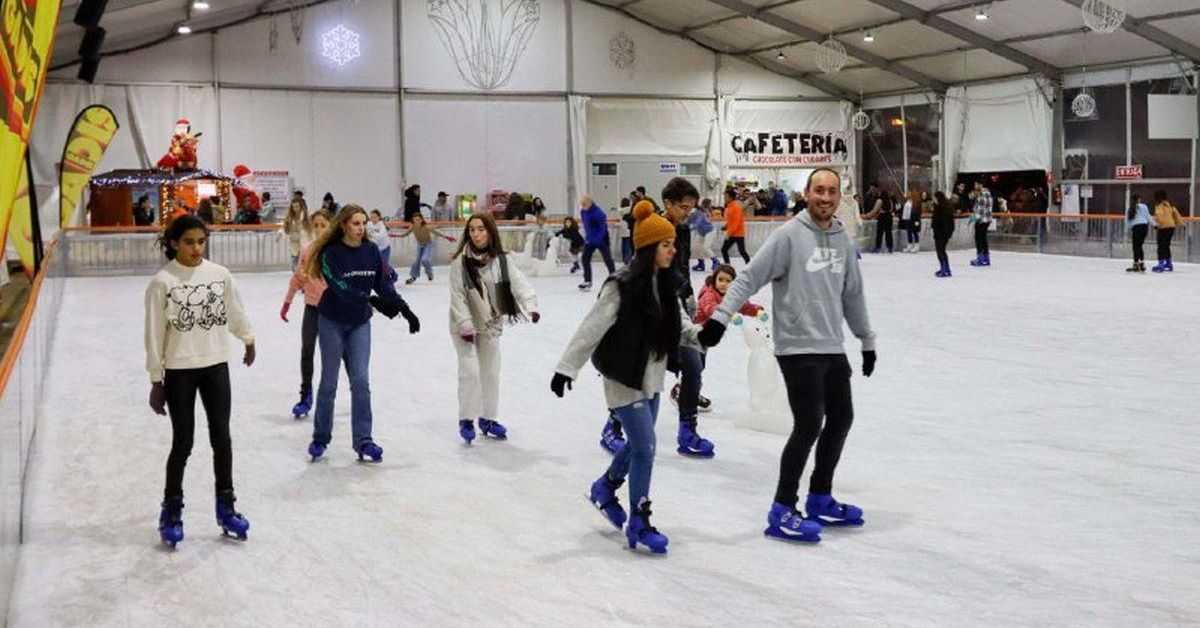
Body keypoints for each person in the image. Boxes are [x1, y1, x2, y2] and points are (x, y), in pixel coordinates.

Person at [696, 168, 876, 545]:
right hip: (796, 347)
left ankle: (820, 497)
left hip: (831, 346)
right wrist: (719, 318)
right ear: (807, 193)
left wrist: (866, 339)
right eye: (819, 190)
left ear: (839, 197)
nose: (825, 197)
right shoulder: (789, 236)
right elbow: (748, 278)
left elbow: (853, 294)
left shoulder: (842, 240)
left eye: (832, 191)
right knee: (809, 425)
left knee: (841, 419)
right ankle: (782, 507)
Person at [551, 202, 701, 554]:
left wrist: (705, 335)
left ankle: (605, 486)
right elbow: (591, 327)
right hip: (623, 376)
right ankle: (639, 520)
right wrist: (566, 368)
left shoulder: (666, 284)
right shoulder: (622, 286)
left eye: (673, 244)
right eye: (666, 245)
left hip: (652, 375)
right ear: (648, 248)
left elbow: (682, 325)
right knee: (646, 448)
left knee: (637, 444)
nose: (673, 250)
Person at [144, 214, 255, 548]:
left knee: (222, 439)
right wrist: (156, 380)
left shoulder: (219, 274)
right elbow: (154, 334)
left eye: (201, 241)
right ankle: (171, 511)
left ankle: (226, 507)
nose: (196, 248)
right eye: (189, 242)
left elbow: (234, 310)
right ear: (174, 243)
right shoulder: (163, 282)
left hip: (215, 365)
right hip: (180, 371)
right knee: (183, 442)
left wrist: (247, 338)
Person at [303, 205, 420, 463]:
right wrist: (368, 299)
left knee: (361, 381)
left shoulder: (370, 251)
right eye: (356, 223)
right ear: (344, 224)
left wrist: (404, 308)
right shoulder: (330, 253)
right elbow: (339, 286)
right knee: (329, 382)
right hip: (332, 321)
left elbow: (383, 284)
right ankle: (320, 437)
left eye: (363, 223)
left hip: (359, 323)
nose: (361, 228)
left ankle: (363, 440)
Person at [449, 213, 540, 443]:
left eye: (481, 229)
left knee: (490, 373)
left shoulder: (502, 261)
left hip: (490, 323)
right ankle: (466, 419)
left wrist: (530, 305)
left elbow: (519, 284)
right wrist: (465, 324)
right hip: (464, 326)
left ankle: (487, 418)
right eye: (472, 230)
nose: (476, 234)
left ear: (490, 232)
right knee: (470, 372)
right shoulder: (460, 262)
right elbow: (458, 296)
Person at [282, 209, 332, 418]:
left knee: (341, 354)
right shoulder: (307, 251)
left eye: (323, 225)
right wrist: (287, 302)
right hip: (312, 308)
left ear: (331, 226)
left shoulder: (338, 252)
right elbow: (298, 278)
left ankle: (356, 391)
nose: (319, 229)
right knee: (307, 351)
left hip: (334, 311)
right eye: (316, 225)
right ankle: (306, 395)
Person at [397, 212, 455, 284]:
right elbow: (405, 234)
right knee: (416, 261)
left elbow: (436, 232)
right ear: (413, 220)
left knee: (425, 259)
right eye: (415, 220)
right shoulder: (412, 227)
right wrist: (395, 235)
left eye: (418, 219)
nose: (417, 221)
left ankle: (429, 273)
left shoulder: (426, 227)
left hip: (428, 245)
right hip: (420, 245)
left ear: (421, 220)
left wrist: (447, 237)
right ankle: (413, 277)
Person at [578, 195, 616, 291]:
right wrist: (588, 238)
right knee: (585, 258)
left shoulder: (599, 213)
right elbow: (587, 226)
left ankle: (614, 279)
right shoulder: (583, 212)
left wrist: (598, 239)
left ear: (590, 203)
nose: (582, 206)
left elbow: (602, 228)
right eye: (581, 204)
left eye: (584, 204)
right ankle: (587, 280)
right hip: (590, 240)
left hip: (602, 239)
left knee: (607, 259)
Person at [1151, 190, 1184, 273]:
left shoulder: (1159, 206)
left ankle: (1161, 264)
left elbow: (1160, 216)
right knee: (1166, 245)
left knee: (1161, 246)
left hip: (1163, 228)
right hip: (1171, 227)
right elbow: (1176, 214)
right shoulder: (1170, 204)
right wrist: (1181, 223)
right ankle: (1169, 263)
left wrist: (1156, 224)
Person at [721, 188, 750, 264]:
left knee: (741, 251)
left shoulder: (735, 208)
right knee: (725, 250)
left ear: (730, 198)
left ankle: (749, 265)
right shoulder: (730, 207)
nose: (724, 198)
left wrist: (728, 233)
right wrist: (726, 226)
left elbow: (735, 223)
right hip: (734, 233)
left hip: (738, 233)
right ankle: (727, 265)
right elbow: (731, 221)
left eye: (726, 196)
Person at [282, 197, 312, 270]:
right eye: (293, 207)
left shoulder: (306, 216)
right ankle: (295, 271)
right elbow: (286, 229)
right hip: (294, 241)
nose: (295, 209)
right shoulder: (289, 217)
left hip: (304, 240)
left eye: (297, 206)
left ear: (301, 206)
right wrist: (285, 228)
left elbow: (310, 228)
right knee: (294, 259)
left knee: (304, 259)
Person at [1124, 194, 1151, 273]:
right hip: (1144, 227)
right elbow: (1148, 216)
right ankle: (1142, 263)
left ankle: (1136, 264)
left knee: (1136, 246)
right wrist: (1155, 225)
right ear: (1139, 199)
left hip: (1136, 228)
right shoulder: (1144, 206)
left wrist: (1129, 227)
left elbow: (1128, 220)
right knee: (1140, 246)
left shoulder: (1131, 208)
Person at [687, 201, 718, 272]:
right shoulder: (690, 214)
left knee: (705, 247)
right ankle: (701, 263)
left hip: (710, 231)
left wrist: (690, 228)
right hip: (701, 233)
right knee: (695, 247)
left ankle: (716, 261)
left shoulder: (701, 213)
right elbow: (687, 222)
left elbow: (698, 223)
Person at [969, 181, 993, 267]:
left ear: (980, 185)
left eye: (976, 185)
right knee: (983, 239)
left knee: (978, 239)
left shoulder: (982, 194)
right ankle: (986, 258)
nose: (975, 187)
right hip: (987, 220)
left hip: (981, 220)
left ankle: (980, 258)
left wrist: (974, 217)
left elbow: (979, 210)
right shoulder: (988, 193)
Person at [932, 191, 955, 278]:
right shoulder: (943, 207)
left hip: (941, 233)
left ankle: (944, 268)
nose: (933, 200)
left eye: (934, 198)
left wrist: (941, 231)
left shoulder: (941, 209)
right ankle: (946, 268)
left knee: (940, 251)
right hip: (943, 233)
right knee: (942, 250)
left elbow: (942, 222)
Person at [866, 182, 894, 254]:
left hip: (882, 216)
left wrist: (867, 216)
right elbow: (892, 209)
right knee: (888, 232)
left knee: (879, 233)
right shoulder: (889, 201)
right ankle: (890, 247)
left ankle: (878, 247)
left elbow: (874, 210)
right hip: (889, 216)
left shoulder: (879, 200)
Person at [366, 209, 394, 280]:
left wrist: (371, 235)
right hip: (375, 248)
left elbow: (380, 235)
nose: (373, 219)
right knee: (377, 264)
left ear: (379, 217)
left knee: (384, 263)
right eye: (371, 217)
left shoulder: (381, 224)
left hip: (385, 248)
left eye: (375, 217)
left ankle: (392, 274)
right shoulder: (368, 224)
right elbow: (365, 233)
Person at [618, 198, 634, 265]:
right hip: (628, 229)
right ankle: (627, 259)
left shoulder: (620, 210)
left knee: (623, 245)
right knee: (628, 246)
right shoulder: (630, 209)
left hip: (622, 229)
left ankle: (624, 258)